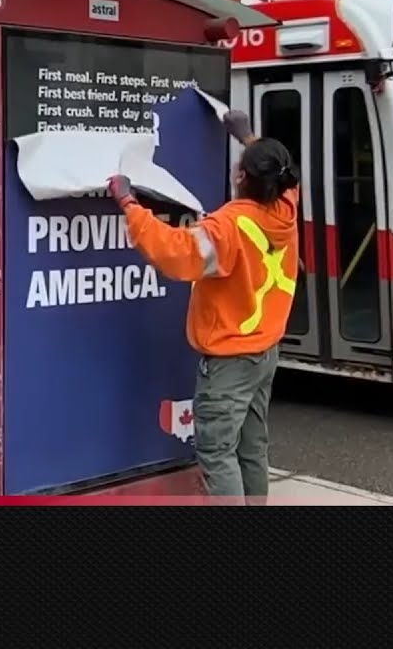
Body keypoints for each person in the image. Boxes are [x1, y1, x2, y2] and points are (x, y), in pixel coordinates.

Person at [106, 110, 300, 500]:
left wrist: (128, 202)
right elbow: (280, 173)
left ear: (241, 176)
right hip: (264, 352)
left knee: (217, 452)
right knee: (251, 447)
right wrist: (247, 136)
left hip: (230, 361)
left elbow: (174, 252)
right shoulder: (285, 208)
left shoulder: (226, 228)